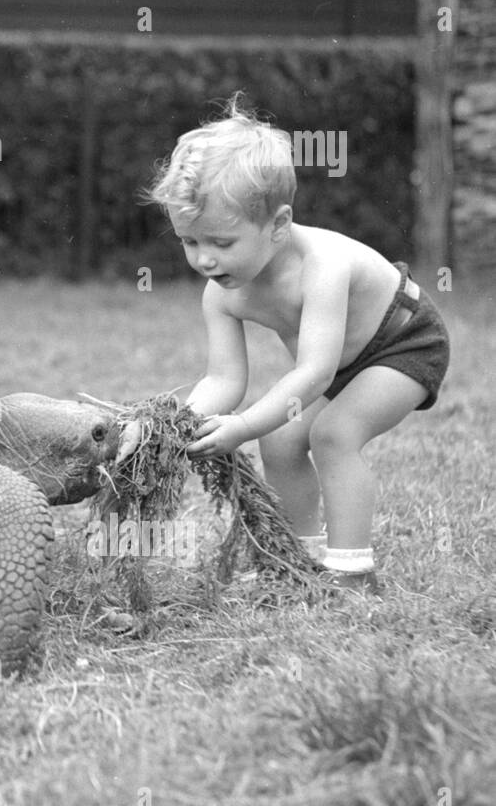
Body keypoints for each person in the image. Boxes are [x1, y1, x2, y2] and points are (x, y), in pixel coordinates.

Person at [144, 98, 449, 593]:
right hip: (342, 364)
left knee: (333, 433)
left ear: (279, 226)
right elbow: (224, 379)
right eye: (189, 241)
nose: (203, 259)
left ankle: (352, 573)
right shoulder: (221, 293)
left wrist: (240, 425)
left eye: (221, 243)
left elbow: (314, 374)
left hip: (404, 342)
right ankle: (296, 559)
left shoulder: (322, 268)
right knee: (280, 439)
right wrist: (178, 427)